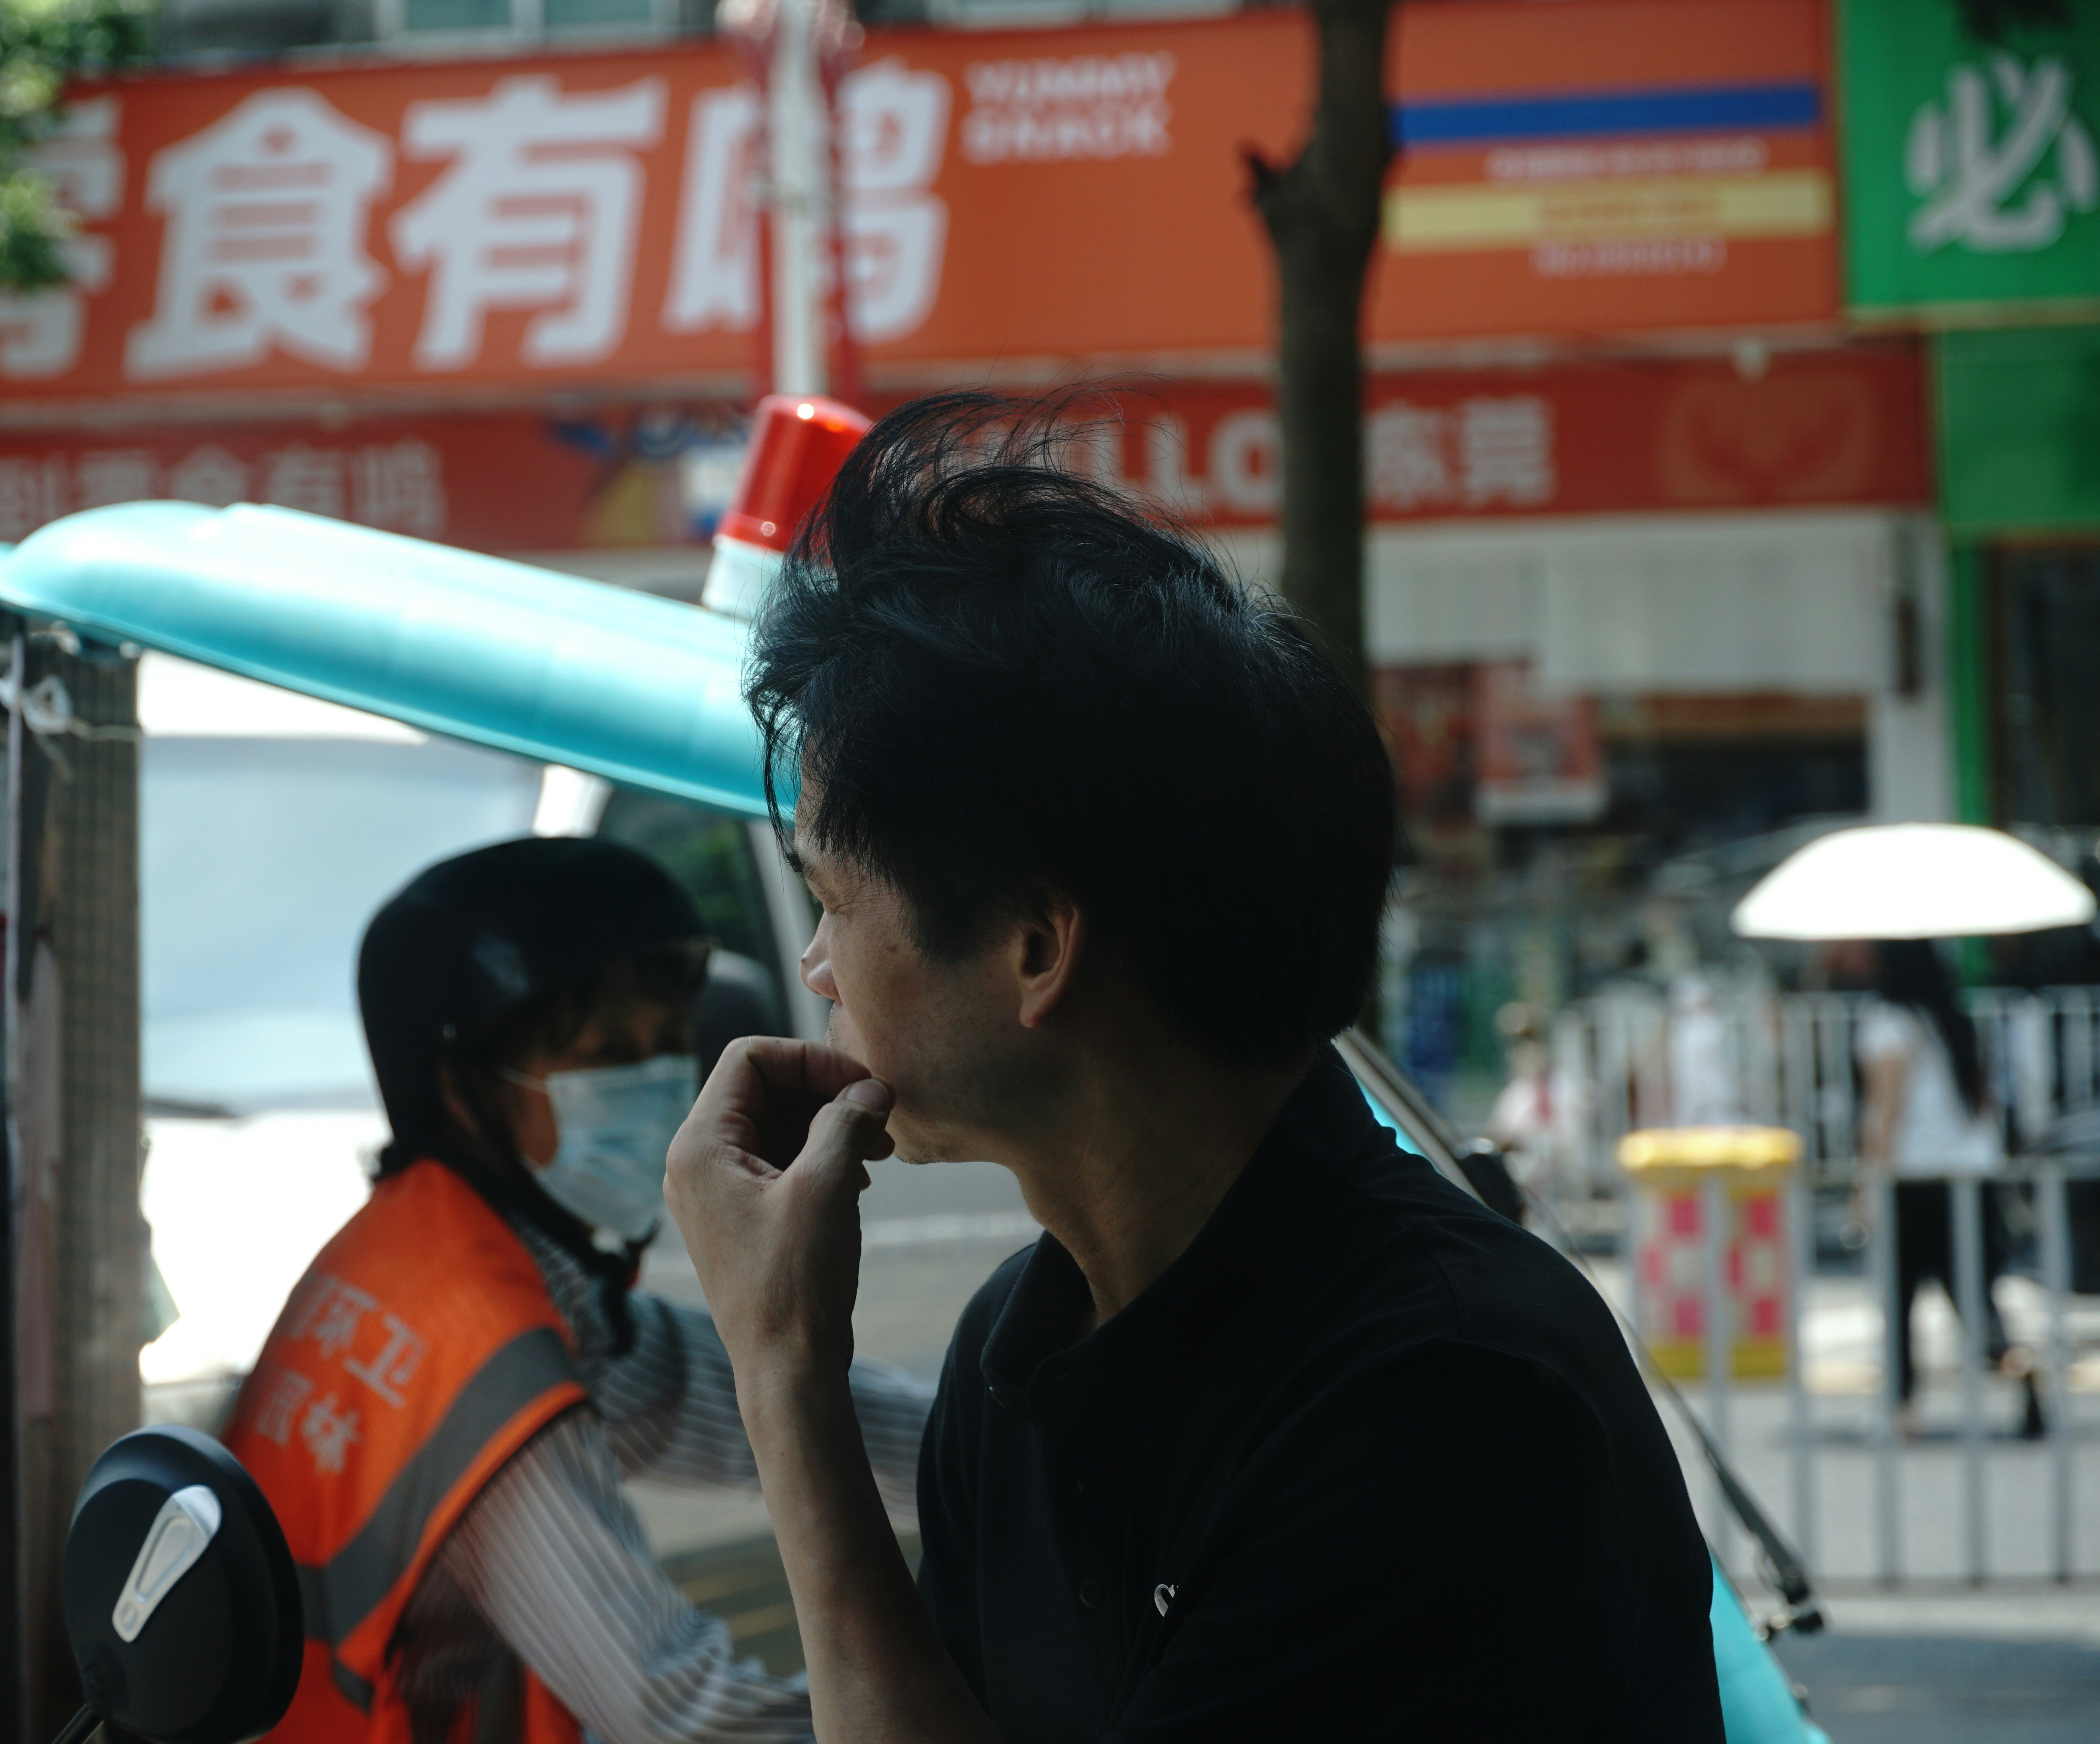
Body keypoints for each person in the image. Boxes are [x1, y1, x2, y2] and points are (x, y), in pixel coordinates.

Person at [662, 394, 1726, 1741]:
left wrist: (781, 1374)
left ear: (1035, 947)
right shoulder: (1017, 1346)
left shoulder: (1440, 1403)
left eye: (830, 899)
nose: (813, 965)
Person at [227, 836, 930, 1743]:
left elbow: (751, 1405)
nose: (651, 1078)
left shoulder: (431, 1259)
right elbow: (683, 1715)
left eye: (664, 1042)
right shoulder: (476, 1355)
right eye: (604, 1053)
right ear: (465, 1087)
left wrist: (1012, 1457)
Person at [1851, 936, 2043, 1440]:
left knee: (1901, 1294)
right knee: (1973, 1295)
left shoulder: (1887, 1023)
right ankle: (2020, 1366)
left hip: (1914, 1178)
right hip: (1971, 1177)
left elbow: (1884, 1113)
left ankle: (1902, 1410)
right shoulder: (1954, 1020)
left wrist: (1866, 1185)